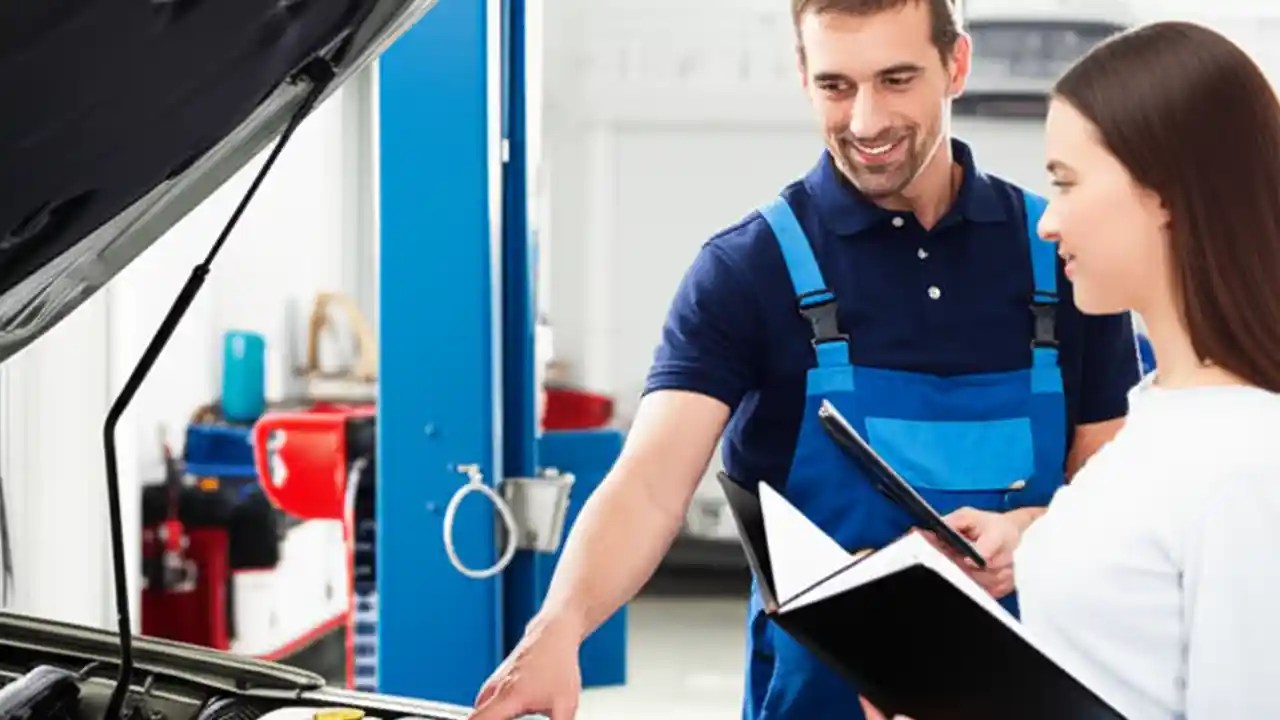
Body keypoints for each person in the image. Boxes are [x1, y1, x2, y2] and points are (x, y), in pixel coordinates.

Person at [468, 1, 1141, 718]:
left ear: (956, 65)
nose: (866, 121)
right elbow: (649, 487)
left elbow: (1119, 496)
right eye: (836, 86)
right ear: (802, 75)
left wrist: (1030, 534)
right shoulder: (748, 270)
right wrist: (559, 627)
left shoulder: (1061, 259)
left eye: (896, 79)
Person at [861, 19, 1280, 720]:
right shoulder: (1160, 411)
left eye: (1066, 183)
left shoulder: (1247, 465)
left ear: (1165, 195)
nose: (1048, 222)